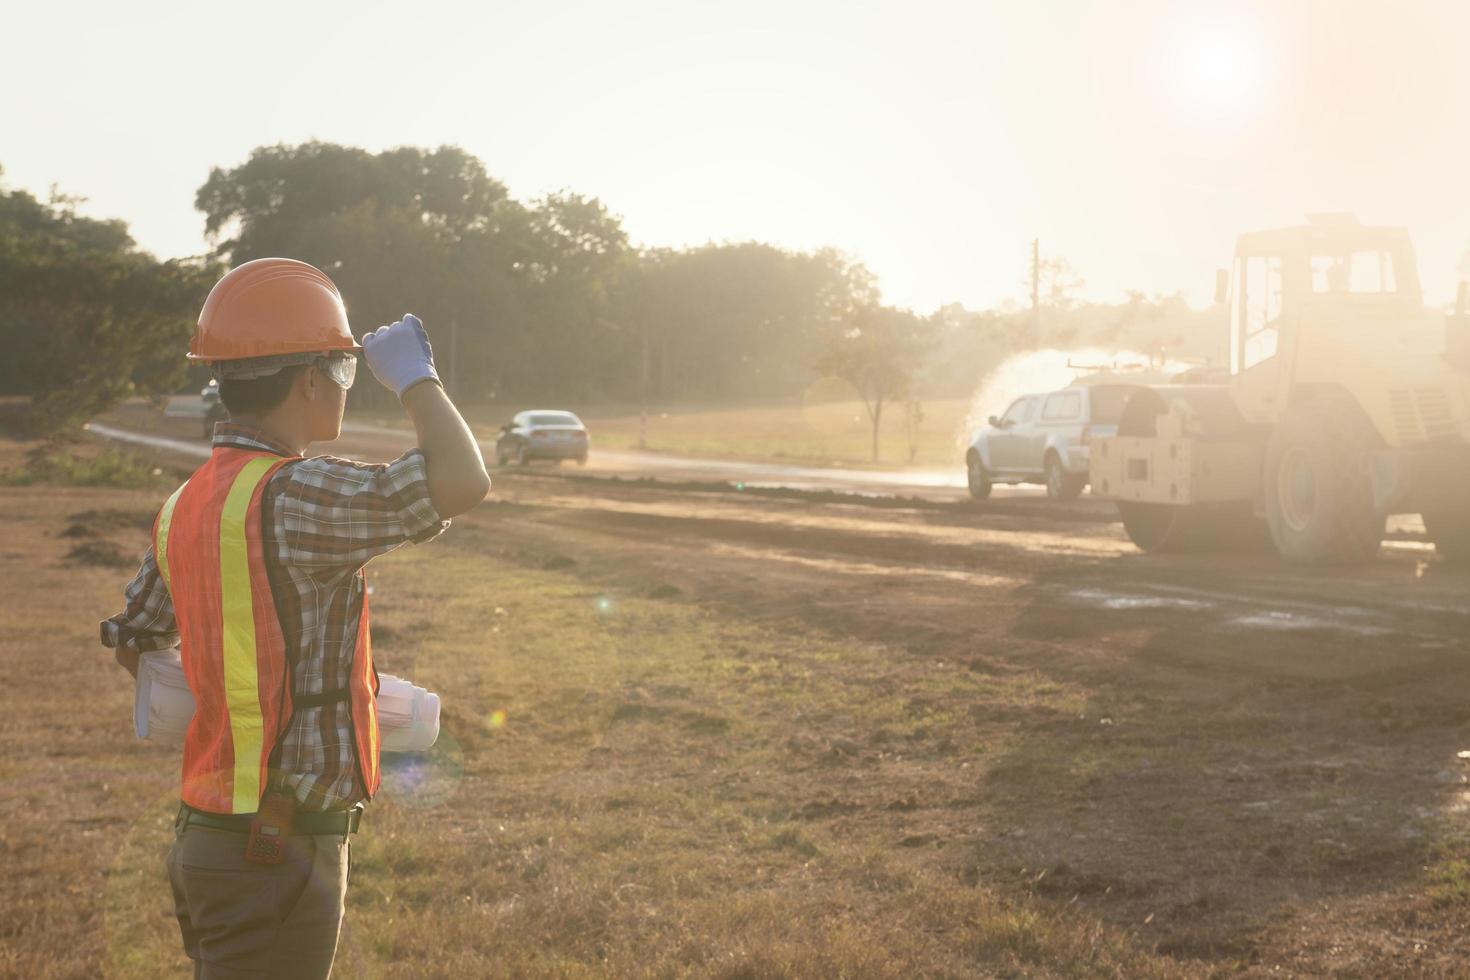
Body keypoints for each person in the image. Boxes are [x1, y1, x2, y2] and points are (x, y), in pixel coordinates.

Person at [101, 257, 490, 979]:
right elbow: (462, 480)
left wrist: (247, 704)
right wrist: (415, 380)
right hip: (276, 851)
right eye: (342, 369)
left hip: (211, 839)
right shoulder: (298, 494)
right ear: (310, 378)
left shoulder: (187, 501)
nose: (344, 386)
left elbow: (135, 640)